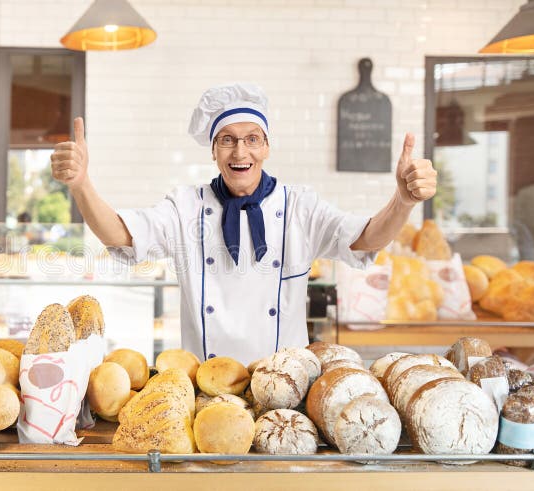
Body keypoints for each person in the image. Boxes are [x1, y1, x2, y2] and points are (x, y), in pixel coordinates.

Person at [50, 83, 437, 365]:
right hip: (206, 387)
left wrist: (402, 202)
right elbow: (120, 233)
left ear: (266, 147)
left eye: (252, 139)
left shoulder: (300, 206)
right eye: (227, 140)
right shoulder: (185, 207)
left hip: (286, 389)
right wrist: (82, 185)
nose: (241, 152)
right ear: (214, 151)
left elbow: (367, 239)